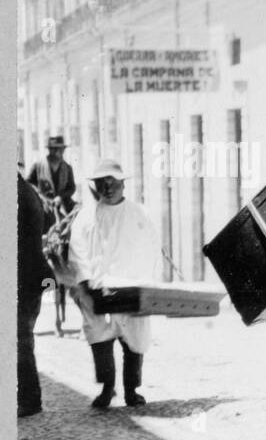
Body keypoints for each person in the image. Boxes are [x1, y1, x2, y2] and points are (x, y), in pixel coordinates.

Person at [67, 159, 160, 410]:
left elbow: (151, 247)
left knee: (135, 340)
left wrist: (148, 283)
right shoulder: (87, 217)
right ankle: (108, 388)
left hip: (131, 287)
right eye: (102, 184)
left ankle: (132, 390)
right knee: (101, 338)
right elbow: (77, 251)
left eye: (112, 183)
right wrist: (85, 284)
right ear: (96, 187)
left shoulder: (139, 213)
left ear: (122, 184)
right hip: (99, 288)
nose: (108, 189)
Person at [27, 135, 77, 335]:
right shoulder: (39, 166)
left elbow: (71, 187)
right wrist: (41, 197)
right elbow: (29, 183)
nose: (58, 153)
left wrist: (61, 197)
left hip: (61, 205)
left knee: (75, 218)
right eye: (55, 150)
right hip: (43, 205)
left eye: (61, 150)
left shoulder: (67, 168)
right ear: (50, 150)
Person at [18, 161, 53, 417]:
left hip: (26, 278)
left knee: (19, 340)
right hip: (29, 276)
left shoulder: (17, 195)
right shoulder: (25, 190)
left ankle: (30, 401)